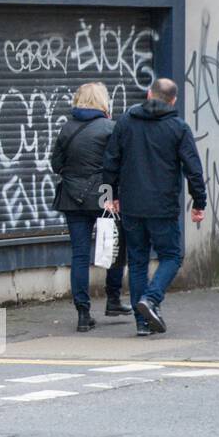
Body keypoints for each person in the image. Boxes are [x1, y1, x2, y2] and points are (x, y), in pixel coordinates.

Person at [102, 77, 208, 336]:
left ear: (149, 95)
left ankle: (142, 323)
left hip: (132, 206)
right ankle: (151, 300)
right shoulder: (178, 127)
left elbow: (111, 160)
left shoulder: (126, 121)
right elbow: (193, 169)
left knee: (137, 261)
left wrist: (110, 194)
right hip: (163, 206)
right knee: (172, 256)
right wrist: (199, 202)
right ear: (173, 100)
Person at [51, 82, 130, 333]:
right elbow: (118, 165)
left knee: (80, 255)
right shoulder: (111, 128)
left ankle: (83, 314)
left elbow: (56, 165)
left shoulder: (66, 128)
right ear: (102, 101)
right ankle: (113, 300)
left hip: (72, 198)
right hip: (104, 196)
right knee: (114, 248)